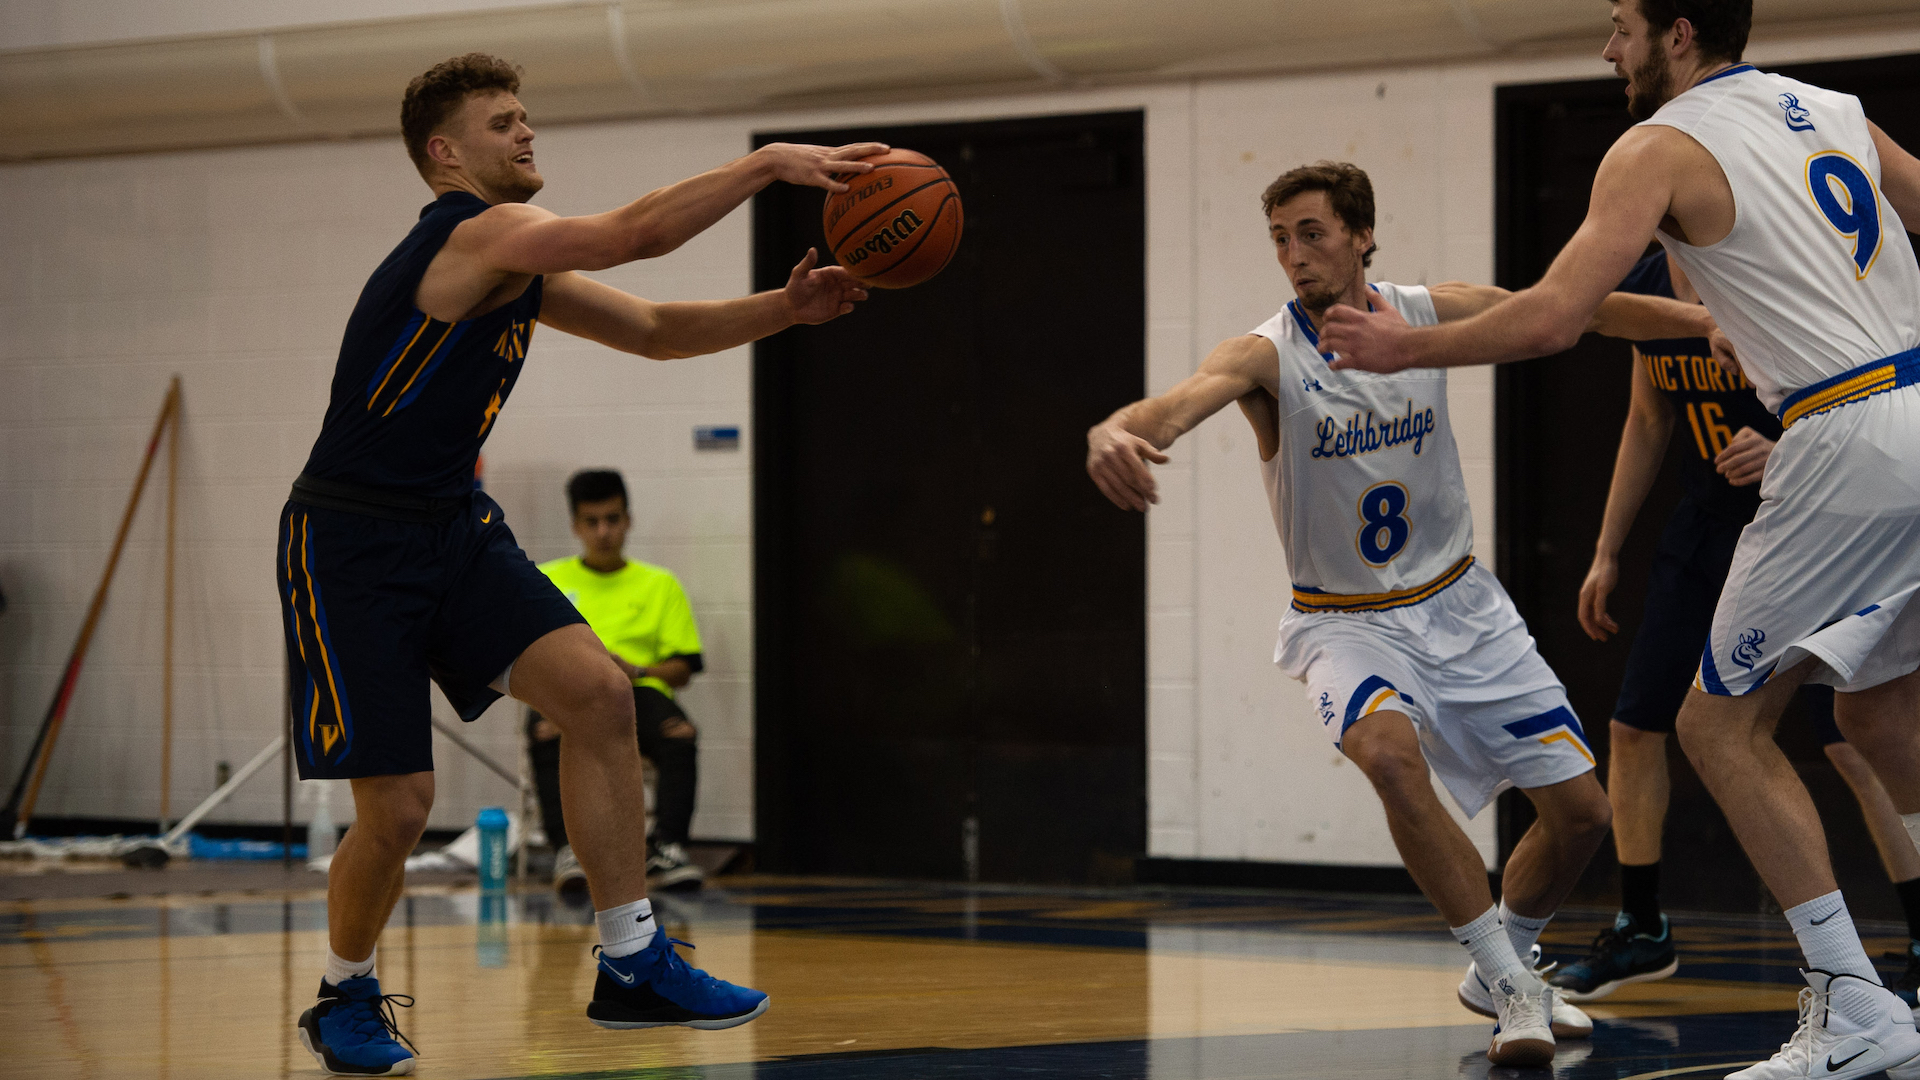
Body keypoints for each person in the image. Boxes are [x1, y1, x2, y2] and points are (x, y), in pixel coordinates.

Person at [1320, 2, 1920, 1075]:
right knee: (1878, 710)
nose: (1608, 52)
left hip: (1842, 433)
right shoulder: (1836, 108)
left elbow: (1556, 315)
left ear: (1678, 34)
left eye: (1621, 29)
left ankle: (1855, 1006)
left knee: (1718, 729)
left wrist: (1408, 348)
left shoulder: (1657, 145)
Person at [278, 52, 880, 1076]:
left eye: (526, 118)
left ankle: (632, 958)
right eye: (502, 122)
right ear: (444, 152)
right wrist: (767, 163)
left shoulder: (519, 265)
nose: (525, 133)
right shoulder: (474, 235)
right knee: (402, 811)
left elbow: (650, 331)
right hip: (351, 540)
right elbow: (637, 236)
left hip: (452, 526)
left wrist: (788, 310)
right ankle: (344, 991)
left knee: (602, 696)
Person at [1085, 160, 1723, 1068]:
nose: (1294, 255)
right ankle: (1508, 981)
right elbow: (1181, 401)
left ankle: (1500, 957)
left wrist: (1707, 319)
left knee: (1584, 816)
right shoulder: (1267, 354)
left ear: (1360, 234)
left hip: (1462, 605)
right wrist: (1114, 429)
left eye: (1311, 232)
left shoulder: (1429, 310)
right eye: (1279, 238)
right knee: (1389, 754)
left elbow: (1583, 309)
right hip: (1345, 620)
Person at [1554, 250, 1920, 1007]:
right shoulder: (1650, 288)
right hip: (1706, 528)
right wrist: (1606, 548)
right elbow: (1648, 417)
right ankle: (1643, 924)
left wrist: (1786, 446)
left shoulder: (1772, 265)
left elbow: (1860, 389)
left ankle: (1911, 932)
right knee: (1635, 726)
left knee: (1855, 735)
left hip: (1812, 515)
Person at [531, 469, 708, 897]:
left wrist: (637, 670)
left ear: (628, 520)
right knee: (544, 731)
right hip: (569, 693)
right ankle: (567, 850)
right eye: (592, 522)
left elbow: (684, 667)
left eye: (612, 519)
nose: (604, 531)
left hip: (638, 690)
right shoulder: (547, 579)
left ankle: (667, 847)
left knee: (680, 734)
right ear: (576, 526)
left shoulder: (659, 584)